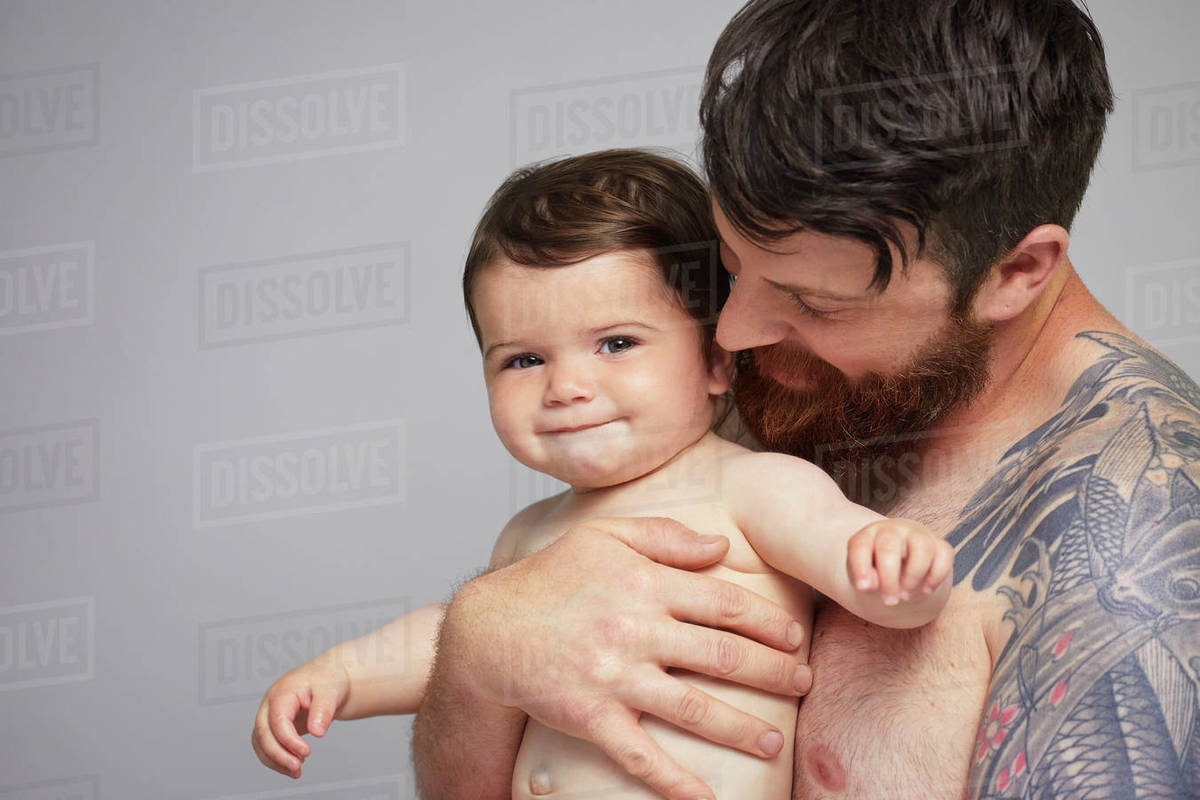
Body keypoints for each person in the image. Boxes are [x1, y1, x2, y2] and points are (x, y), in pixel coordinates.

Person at [411, 2, 1200, 800]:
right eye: (728, 267)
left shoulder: (1128, 535)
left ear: (1017, 271)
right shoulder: (768, 379)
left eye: (814, 302)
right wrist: (478, 654)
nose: (736, 330)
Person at [251, 149, 956, 798]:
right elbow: (459, 641)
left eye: (616, 344)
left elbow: (859, 563)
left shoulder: (753, 487)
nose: (567, 387)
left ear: (716, 360)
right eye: (524, 360)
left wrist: (900, 567)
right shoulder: (529, 531)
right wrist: (341, 674)